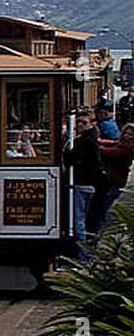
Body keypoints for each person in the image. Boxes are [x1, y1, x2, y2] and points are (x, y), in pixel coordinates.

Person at [63, 108, 107, 259]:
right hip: (89, 185)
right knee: (82, 220)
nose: (80, 125)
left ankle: (82, 257)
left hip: (82, 184)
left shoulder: (84, 141)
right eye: (78, 122)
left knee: (78, 222)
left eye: (83, 122)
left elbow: (69, 158)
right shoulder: (92, 138)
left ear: (91, 124)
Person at [91, 122, 134, 236]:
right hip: (111, 181)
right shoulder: (121, 144)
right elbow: (112, 143)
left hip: (115, 182)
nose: (127, 136)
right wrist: (98, 141)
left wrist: (94, 146)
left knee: (103, 210)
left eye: (130, 135)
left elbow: (112, 152)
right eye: (125, 133)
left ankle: (99, 236)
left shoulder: (127, 150)